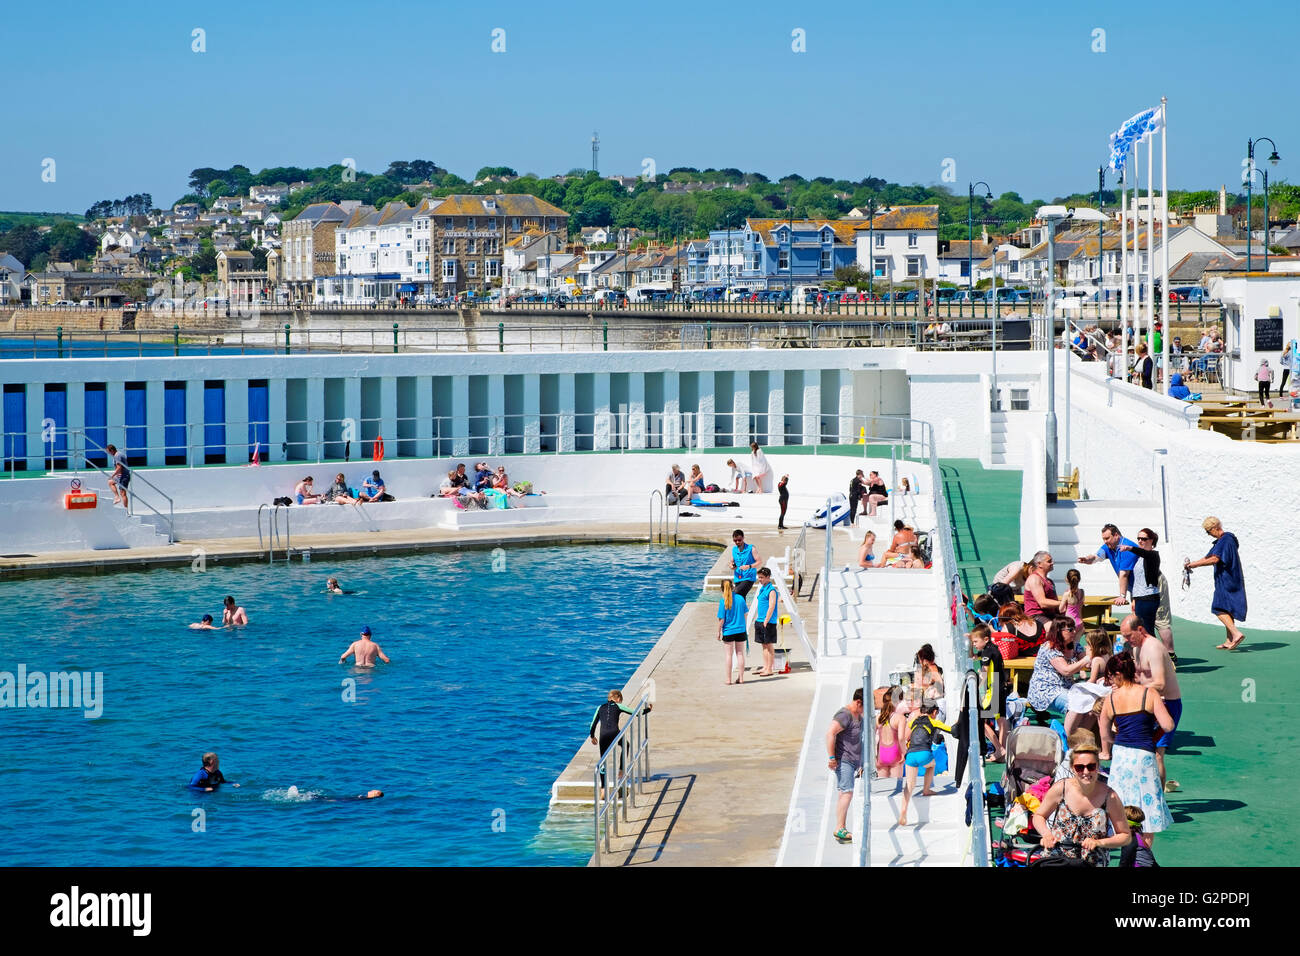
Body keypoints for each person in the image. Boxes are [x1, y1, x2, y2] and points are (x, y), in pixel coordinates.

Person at [1098, 651, 1175, 847]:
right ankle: (1142, 855)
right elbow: (1168, 725)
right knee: (1146, 813)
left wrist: (1120, 740)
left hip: (1122, 756)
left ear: (1116, 674)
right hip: (1144, 756)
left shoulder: (1110, 699)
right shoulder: (1148, 694)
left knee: (1119, 808)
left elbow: (1105, 736)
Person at [1031, 742, 1130, 866]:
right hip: (1057, 858)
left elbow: (1125, 835)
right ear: (1072, 768)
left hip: (1091, 861)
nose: (1086, 771)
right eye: (1079, 767)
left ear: (1098, 766)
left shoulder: (1110, 797)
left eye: (1091, 766)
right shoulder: (1061, 788)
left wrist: (1100, 843)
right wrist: (1046, 835)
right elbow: (1039, 816)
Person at [1122, 615, 1182, 793]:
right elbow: (1139, 676)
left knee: (1157, 754)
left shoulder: (1154, 648)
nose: (1126, 640)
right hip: (1147, 704)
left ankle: (1159, 797)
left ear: (1140, 630)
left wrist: (1131, 688)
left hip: (1167, 704)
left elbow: (1160, 683)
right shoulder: (1136, 649)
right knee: (1141, 751)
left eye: (1128, 636)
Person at [1185, 516, 1247, 650]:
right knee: (1227, 609)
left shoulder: (1224, 540)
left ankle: (1236, 634)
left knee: (1218, 608)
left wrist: (1194, 565)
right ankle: (1229, 640)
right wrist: (1192, 564)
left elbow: (1214, 559)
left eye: (1208, 531)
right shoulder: (1224, 541)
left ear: (1215, 528)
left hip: (1226, 579)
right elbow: (1208, 556)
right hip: (1232, 578)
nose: (1208, 534)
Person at [897, 703, 954, 827]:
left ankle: (903, 811)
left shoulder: (913, 722)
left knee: (910, 784)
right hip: (924, 753)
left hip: (910, 754)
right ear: (934, 712)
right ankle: (926, 790)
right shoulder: (933, 722)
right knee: (932, 765)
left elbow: (906, 737)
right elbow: (950, 730)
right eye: (936, 713)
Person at [589, 689, 647, 801]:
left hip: (603, 735)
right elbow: (636, 713)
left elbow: (593, 724)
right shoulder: (618, 706)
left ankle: (603, 790)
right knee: (626, 745)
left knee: (603, 761)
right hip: (615, 733)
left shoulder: (600, 707)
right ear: (618, 698)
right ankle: (621, 771)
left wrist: (592, 736)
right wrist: (648, 709)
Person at [1027, 619, 1090, 716]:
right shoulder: (1050, 647)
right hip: (1046, 690)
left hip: (1066, 688)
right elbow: (1066, 671)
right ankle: (1069, 731)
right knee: (1077, 704)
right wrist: (1086, 659)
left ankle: (1080, 730)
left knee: (1091, 704)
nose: (1074, 632)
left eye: (1074, 629)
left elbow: (1087, 664)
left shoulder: (1074, 645)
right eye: (1070, 630)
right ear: (1058, 631)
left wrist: (1092, 654)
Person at [826, 688, 865, 843]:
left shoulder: (858, 715)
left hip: (854, 760)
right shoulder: (845, 715)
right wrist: (831, 758)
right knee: (847, 792)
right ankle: (839, 828)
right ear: (858, 702)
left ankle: (840, 827)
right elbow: (830, 733)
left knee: (844, 793)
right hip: (844, 759)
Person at [1077, 523, 1139, 607]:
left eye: (1107, 538)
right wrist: (1087, 559)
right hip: (1137, 589)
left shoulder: (1127, 548)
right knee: (1139, 615)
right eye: (1103, 539)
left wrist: (1122, 596)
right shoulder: (1108, 547)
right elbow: (1096, 557)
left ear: (1116, 535)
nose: (1105, 541)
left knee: (1153, 618)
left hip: (1150, 587)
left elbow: (1124, 574)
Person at [970, 624, 1007, 761]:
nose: (974, 645)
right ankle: (1001, 752)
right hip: (1002, 686)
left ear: (985, 639)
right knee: (1001, 720)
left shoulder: (987, 652)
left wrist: (976, 683)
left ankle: (999, 749)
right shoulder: (992, 648)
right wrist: (970, 641)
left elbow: (984, 672)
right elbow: (973, 656)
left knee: (981, 721)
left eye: (975, 642)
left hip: (994, 689)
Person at [1116, 528, 1161, 637]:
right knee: (1141, 630)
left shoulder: (1153, 555)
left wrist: (1130, 548)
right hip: (1140, 598)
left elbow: (1146, 554)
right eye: (1138, 538)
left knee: (1147, 630)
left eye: (1144, 539)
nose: (1140, 541)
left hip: (1149, 598)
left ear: (1151, 540)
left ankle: (1154, 653)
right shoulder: (1139, 558)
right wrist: (1134, 599)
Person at [716, 579, 749, 685]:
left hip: (728, 631)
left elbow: (722, 619)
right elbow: (745, 615)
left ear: (722, 589)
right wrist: (744, 627)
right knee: (740, 654)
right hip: (740, 629)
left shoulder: (723, 601)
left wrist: (718, 631)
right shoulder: (740, 598)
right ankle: (741, 678)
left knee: (728, 655)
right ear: (733, 587)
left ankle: (728, 679)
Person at [752, 567, 779, 676]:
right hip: (760, 620)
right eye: (759, 577)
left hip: (768, 622)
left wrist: (766, 620)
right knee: (763, 645)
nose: (760, 579)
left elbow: (771, 606)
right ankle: (765, 666)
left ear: (768, 577)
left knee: (769, 645)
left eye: (762, 578)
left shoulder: (771, 590)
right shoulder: (762, 589)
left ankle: (770, 669)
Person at [1022, 550, 1062, 621]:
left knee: (1069, 625)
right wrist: (1063, 602)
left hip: (1050, 615)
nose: (1052, 563)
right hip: (1035, 616)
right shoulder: (1034, 578)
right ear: (1039, 564)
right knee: (1051, 627)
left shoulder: (1050, 582)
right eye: (1049, 561)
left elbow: (1055, 604)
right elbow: (1042, 603)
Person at [876, 687, 906, 778]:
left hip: (881, 754)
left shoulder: (878, 717)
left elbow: (870, 739)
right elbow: (901, 738)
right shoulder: (900, 718)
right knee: (896, 787)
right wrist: (904, 753)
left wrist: (875, 756)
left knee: (884, 788)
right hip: (895, 753)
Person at [915, 643, 945, 721]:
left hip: (935, 710)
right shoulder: (931, 668)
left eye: (919, 659)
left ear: (924, 660)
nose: (919, 662)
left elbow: (940, 687)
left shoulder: (933, 670)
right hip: (932, 705)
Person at [729, 529, 759, 598]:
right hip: (737, 577)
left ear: (743, 538)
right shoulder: (734, 549)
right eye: (735, 540)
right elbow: (731, 561)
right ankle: (743, 609)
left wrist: (749, 566)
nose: (737, 542)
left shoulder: (751, 548)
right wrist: (731, 566)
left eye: (739, 540)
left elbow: (759, 562)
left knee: (735, 593)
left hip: (748, 578)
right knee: (740, 598)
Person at [106, 443, 131, 508]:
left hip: (124, 476)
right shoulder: (118, 454)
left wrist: (112, 475)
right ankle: (117, 497)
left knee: (123, 493)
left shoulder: (117, 455)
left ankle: (126, 510)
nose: (108, 453)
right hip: (120, 476)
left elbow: (119, 468)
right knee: (110, 482)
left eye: (108, 452)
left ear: (111, 450)